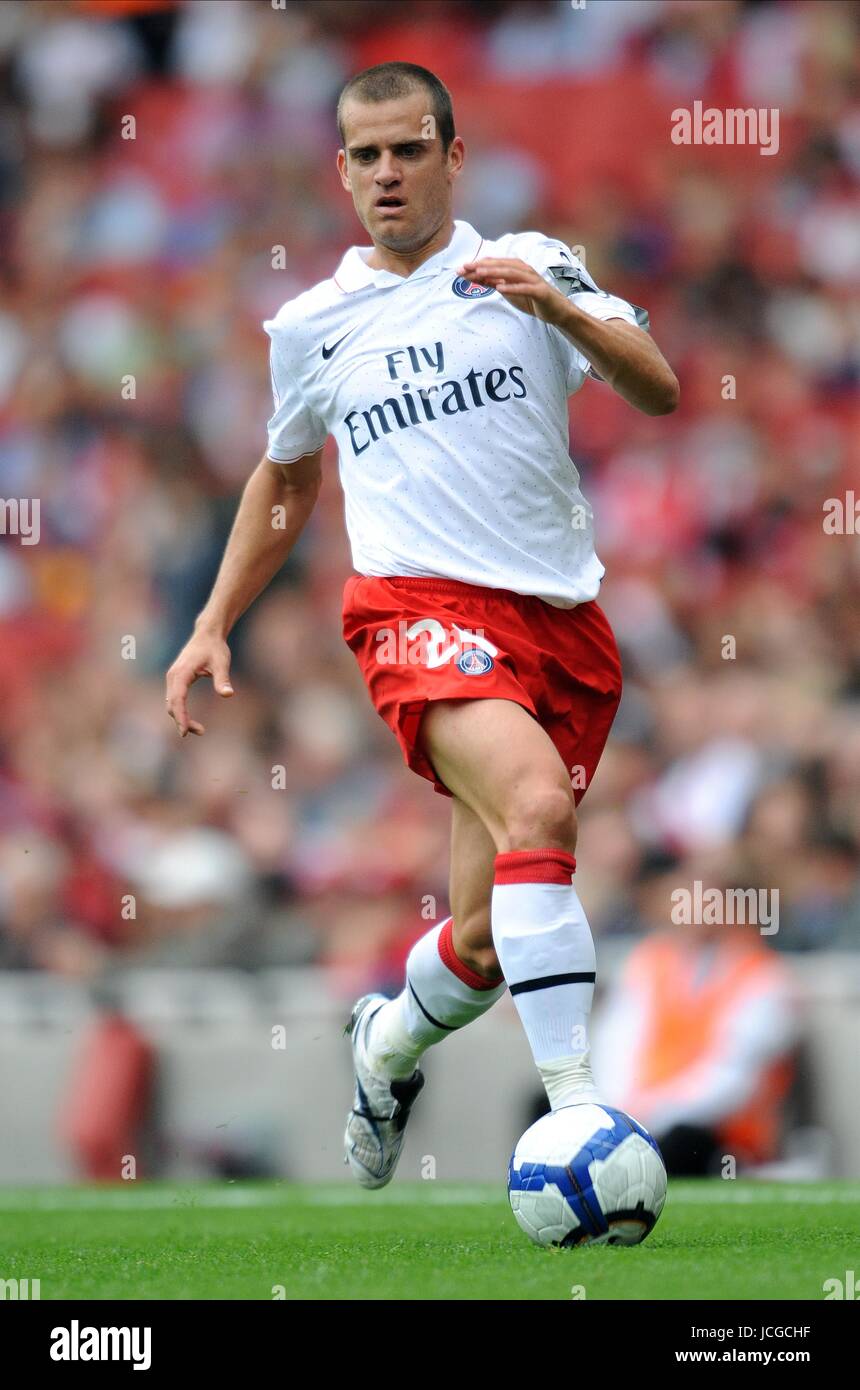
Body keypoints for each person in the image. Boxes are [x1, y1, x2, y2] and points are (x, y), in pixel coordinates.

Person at [165, 62, 679, 1189]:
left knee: (489, 942)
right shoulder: (310, 326)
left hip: (557, 623)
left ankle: (384, 1044)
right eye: (366, 155)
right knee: (538, 803)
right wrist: (212, 622)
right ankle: (579, 1118)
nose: (387, 173)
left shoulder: (532, 263)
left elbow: (657, 388)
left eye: (409, 149)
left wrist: (555, 307)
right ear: (339, 172)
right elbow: (287, 478)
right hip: (411, 613)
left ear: (453, 155)